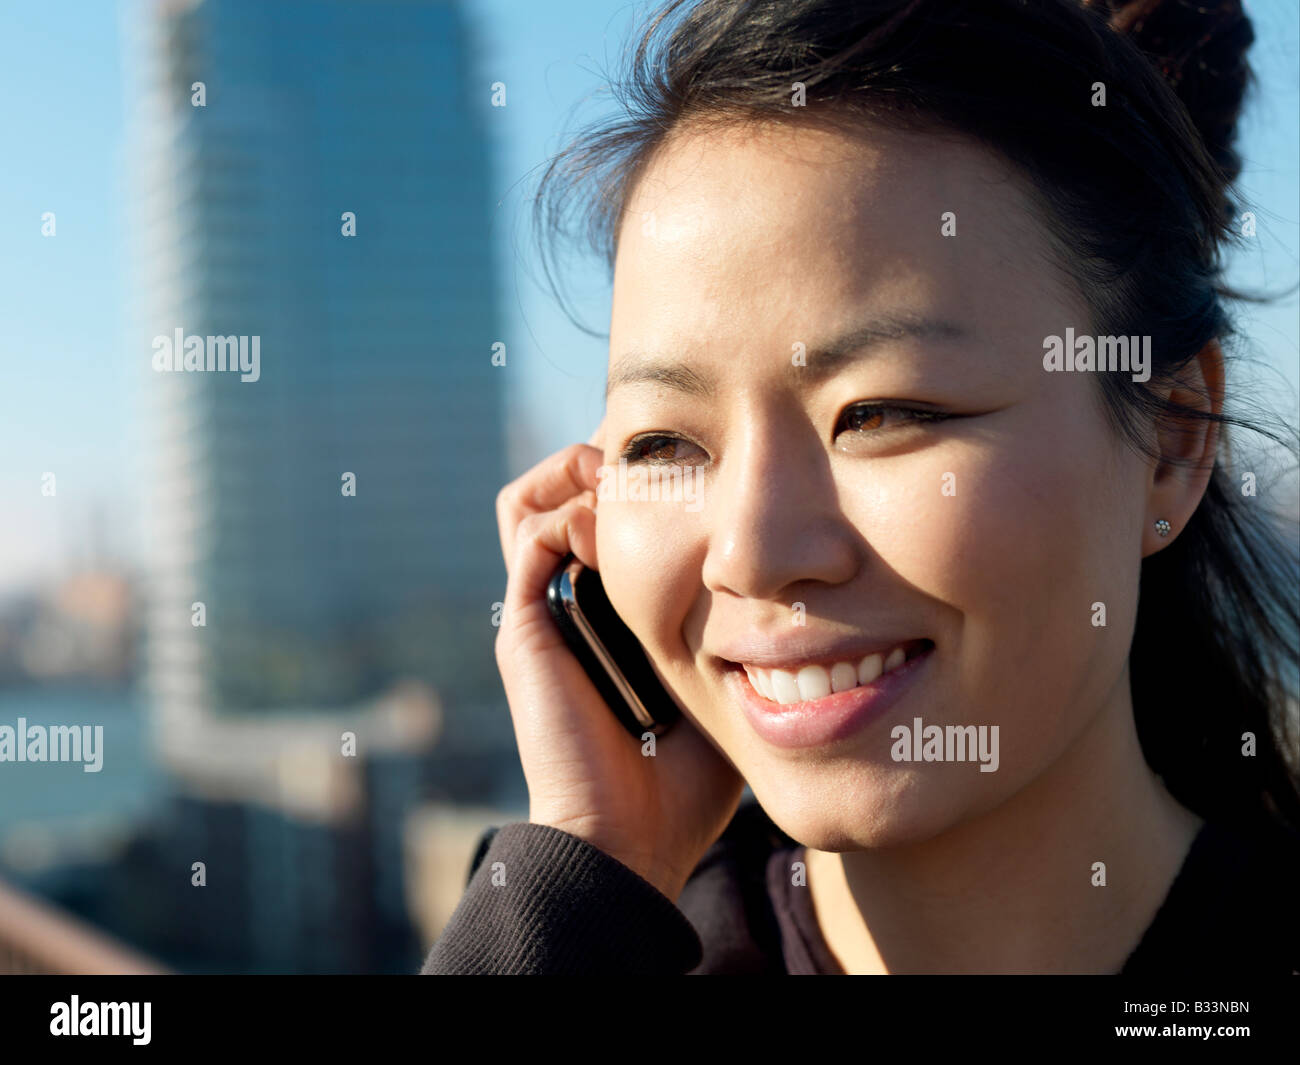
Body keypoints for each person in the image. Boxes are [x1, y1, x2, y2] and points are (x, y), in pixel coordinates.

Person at [422, 0, 1300, 974]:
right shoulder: (587, 946)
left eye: (880, 414)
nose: (752, 554)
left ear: (1173, 439)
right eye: (666, 442)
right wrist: (598, 859)